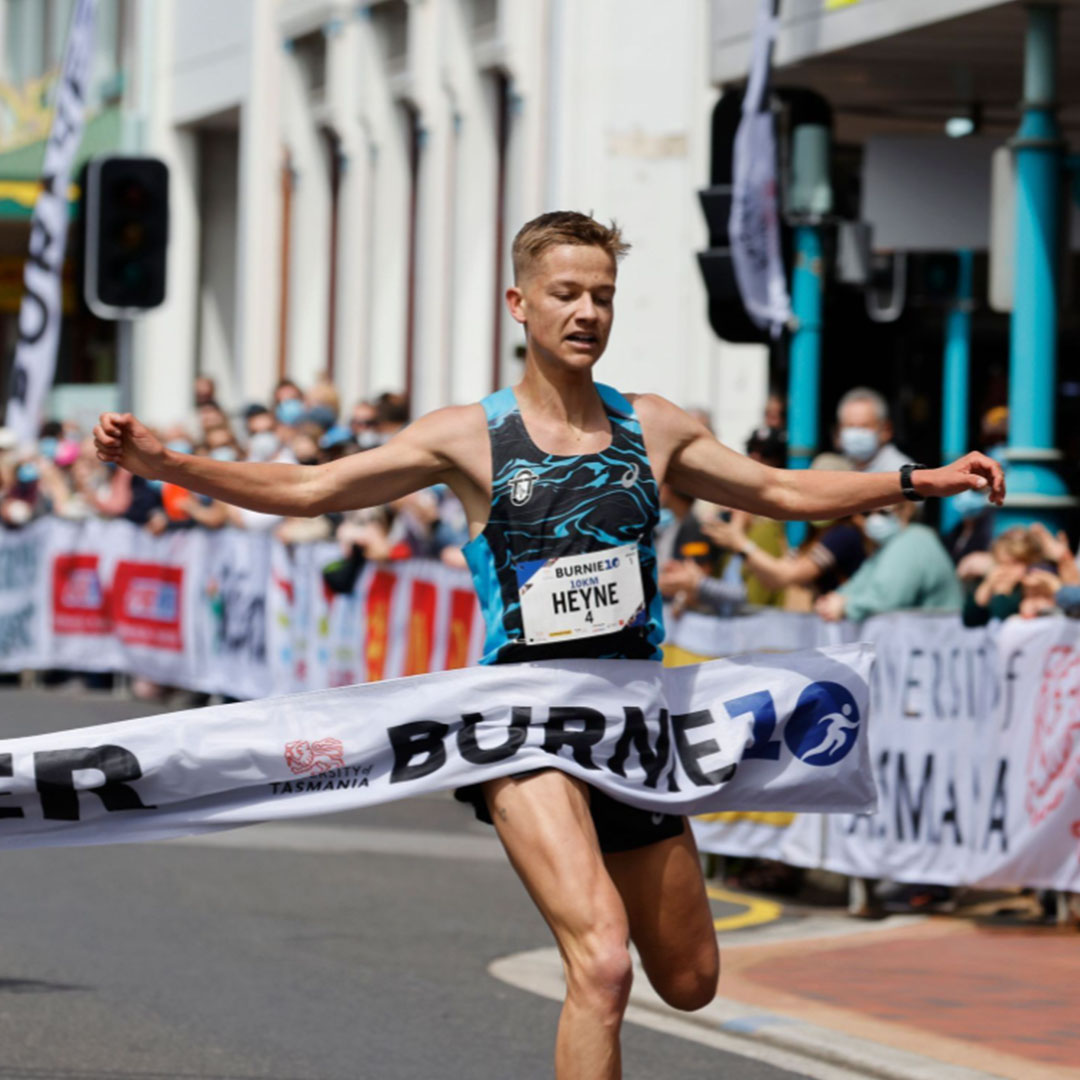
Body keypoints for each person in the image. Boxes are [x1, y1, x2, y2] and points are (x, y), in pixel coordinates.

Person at [94, 210, 1004, 1080]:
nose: (587, 313)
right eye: (566, 293)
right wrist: (171, 466)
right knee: (602, 963)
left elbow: (779, 492)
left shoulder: (653, 424)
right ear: (518, 305)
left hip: (633, 719)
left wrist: (915, 479)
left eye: (602, 295)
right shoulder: (470, 435)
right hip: (522, 721)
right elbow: (311, 488)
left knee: (689, 981)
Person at [815, 500, 963, 623]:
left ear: (907, 510)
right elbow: (860, 584)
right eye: (867, 513)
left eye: (883, 512)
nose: (874, 519)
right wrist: (833, 600)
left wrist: (846, 606)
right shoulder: (887, 547)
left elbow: (887, 600)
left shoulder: (914, 540)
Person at [835, 386, 912, 473]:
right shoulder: (836, 466)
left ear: (885, 430)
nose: (857, 433)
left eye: (864, 426)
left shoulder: (899, 470)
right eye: (851, 426)